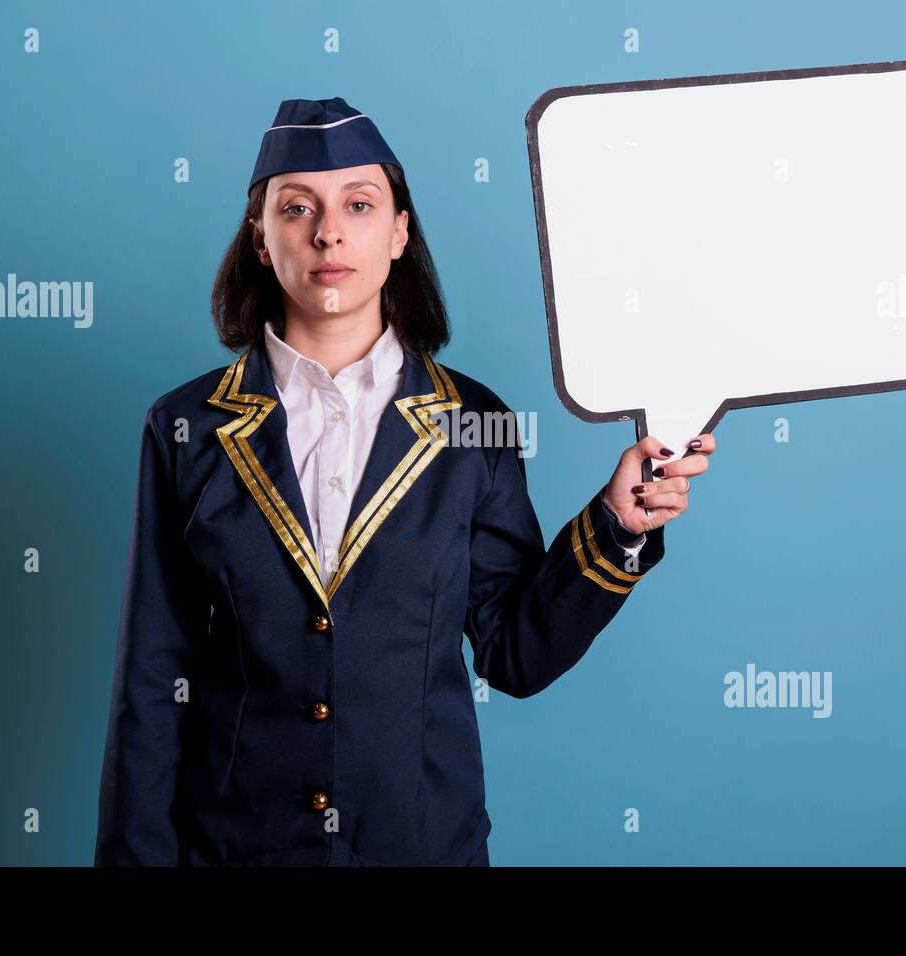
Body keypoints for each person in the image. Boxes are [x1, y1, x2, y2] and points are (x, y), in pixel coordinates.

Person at [94, 97, 715, 867]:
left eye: (359, 204)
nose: (329, 231)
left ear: (398, 233)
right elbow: (154, 683)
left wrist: (617, 528)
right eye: (297, 208)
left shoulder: (473, 425)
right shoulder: (186, 428)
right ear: (260, 236)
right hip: (233, 848)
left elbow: (512, 653)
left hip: (421, 846)